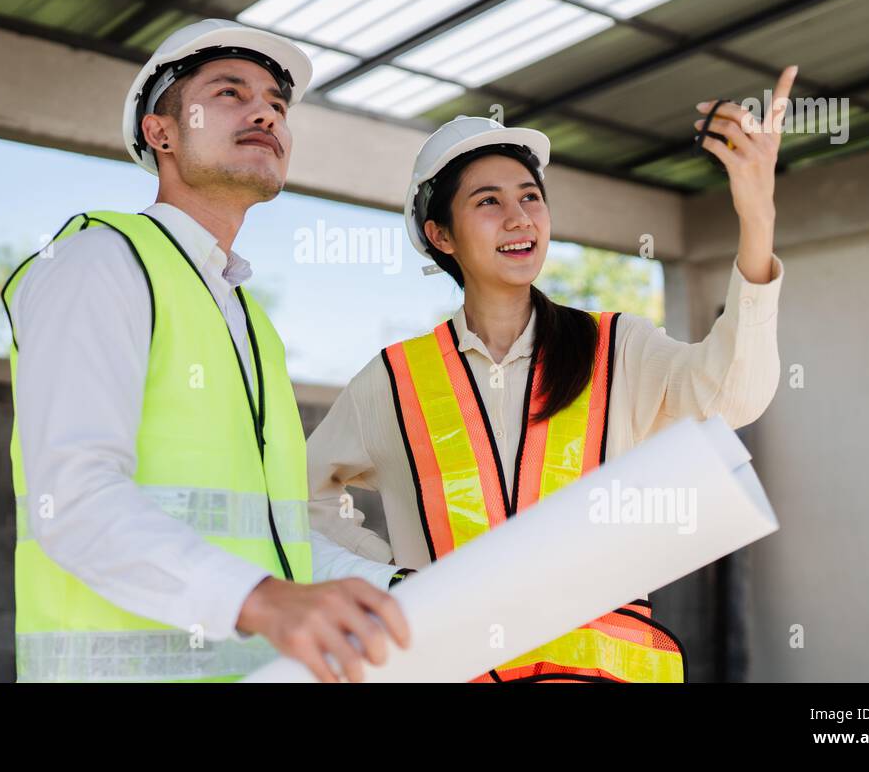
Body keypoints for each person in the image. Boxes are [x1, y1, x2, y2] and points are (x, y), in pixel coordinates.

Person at [306, 66, 795, 682]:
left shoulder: (616, 347)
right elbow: (301, 500)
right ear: (440, 235)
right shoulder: (392, 381)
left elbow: (736, 398)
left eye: (529, 196)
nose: (519, 217)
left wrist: (757, 219)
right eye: (489, 201)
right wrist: (391, 577)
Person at [0, 19, 410, 683]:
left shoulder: (249, 320)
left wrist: (397, 587)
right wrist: (260, 601)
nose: (264, 112)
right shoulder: (99, 262)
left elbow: (280, 544)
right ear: (161, 132)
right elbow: (71, 502)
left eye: (277, 104)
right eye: (229, 92)